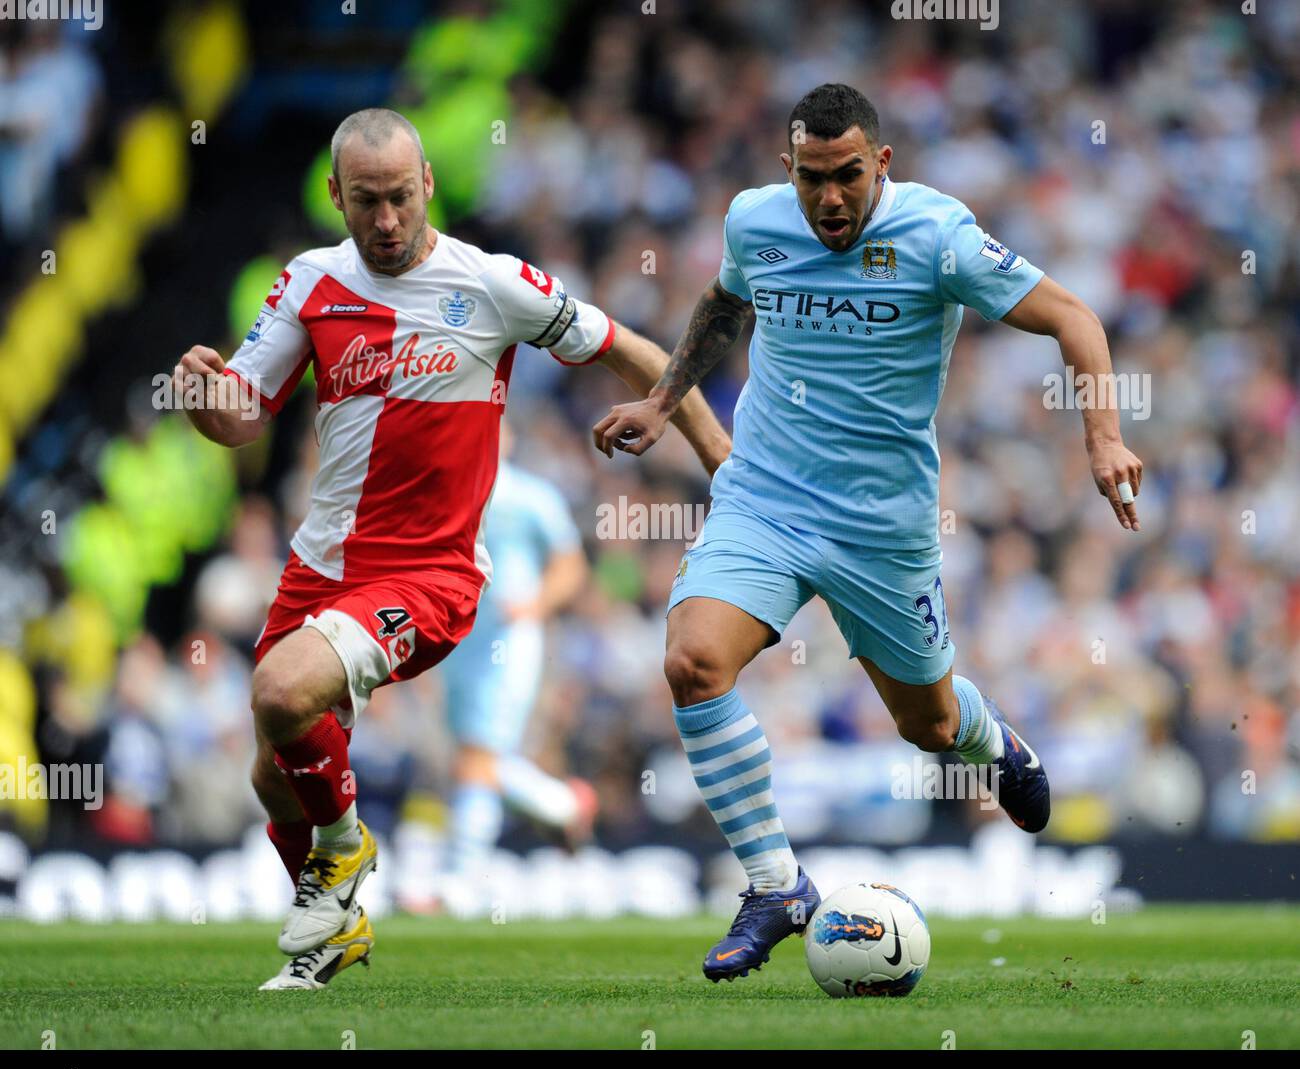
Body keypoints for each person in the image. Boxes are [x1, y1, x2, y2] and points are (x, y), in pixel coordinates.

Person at [593, 83, 1144, 982]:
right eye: (812, 180)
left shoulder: (939, 235)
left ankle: (990, 738)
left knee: (925, 724)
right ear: (788, 170)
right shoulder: (755, 222)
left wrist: (1104, 434)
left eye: (848, 176)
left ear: (881, 162)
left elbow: (1074, 319)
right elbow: (726, 305)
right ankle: (776, 886)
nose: (831, 199)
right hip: (765, 497)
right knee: (692, 660)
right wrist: (662, 402)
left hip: (882, 528)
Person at [170, 107, 730, 989]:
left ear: (428, 184)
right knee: (273, 773)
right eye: (367, 203)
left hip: (430, 575)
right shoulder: (310, 282)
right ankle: (333, 937)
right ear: (335, 196)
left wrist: (716, 456)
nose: (387, 221)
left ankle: (344, 852)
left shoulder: (495, 284)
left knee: (280, 692)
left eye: (400, 197)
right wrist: (198, 398)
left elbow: (632, 349)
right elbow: (240, 415)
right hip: (320, 567)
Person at [440, 422, 597, 880]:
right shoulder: (446, 494)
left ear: (508, 439)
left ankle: (460, 883)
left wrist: (533, 604)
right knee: (473, 758)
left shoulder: (531, 497)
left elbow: (571, 565)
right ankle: (564, 804)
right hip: (457, 641)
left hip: (509, 641)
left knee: (478, 756)